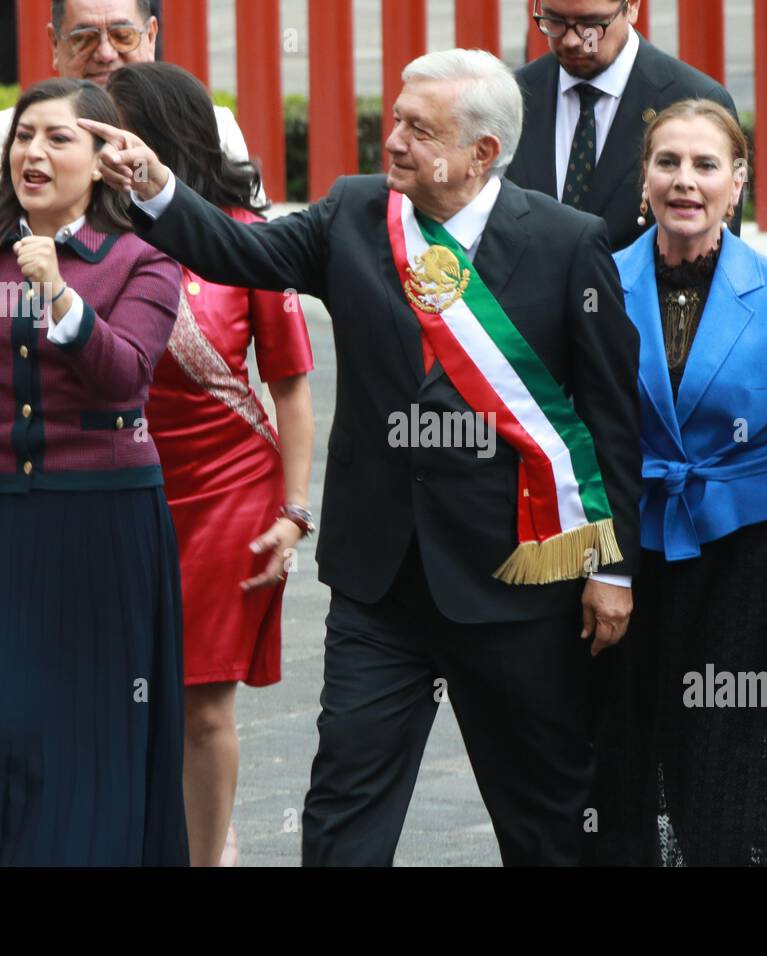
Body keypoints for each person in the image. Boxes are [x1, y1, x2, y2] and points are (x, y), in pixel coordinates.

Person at [83, 47, 642, 866]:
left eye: (420, 128)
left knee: (542, 815)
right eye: (394, 122)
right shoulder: (353, 212)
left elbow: (610, 417)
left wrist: (613, 566)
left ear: (482, 152)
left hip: (518, 579)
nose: (395, 142)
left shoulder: (566, 243)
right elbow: (243, 255)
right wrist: (154, 184)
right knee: (343, 812)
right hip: (380, 581)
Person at [0, 78, 188, 865]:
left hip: (105, 528)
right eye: (26, 135)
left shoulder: (146, 256)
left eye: (59, 138)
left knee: (90, 739)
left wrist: (60, 296)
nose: (33, 152)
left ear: (103, 160)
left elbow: (124, 377)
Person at [587, 100, 767, 866]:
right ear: (644, 178)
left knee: (736, 743)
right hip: (630, 551)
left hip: (751, 555)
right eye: (668, 162)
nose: (685, 181)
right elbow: (578, 424)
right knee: (631, 736)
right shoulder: (600, 281)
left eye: (707, 165)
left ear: (737, 183)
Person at [106, 61, 315, 868]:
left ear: (158, 134)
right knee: (113, 694)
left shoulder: (243, 236)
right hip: (112, 487)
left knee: (201, 707)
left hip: (230, 493)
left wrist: (294, 511)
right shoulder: (85, 237)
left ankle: (205, 856)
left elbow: (293, 389)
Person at [0, 0, 260, 203]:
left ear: (150, 36)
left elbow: (247, 236)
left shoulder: (214, 124)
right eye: (84, 38)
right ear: (55, 44)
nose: (106, 53)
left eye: (123, 36)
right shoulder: (9, 135)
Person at [506, 0, 739, 251]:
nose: (572, 40)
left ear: (632, 7)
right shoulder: (512, 96)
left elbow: (718, 249)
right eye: (555, 21)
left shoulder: (694, 99)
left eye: (590, 25)